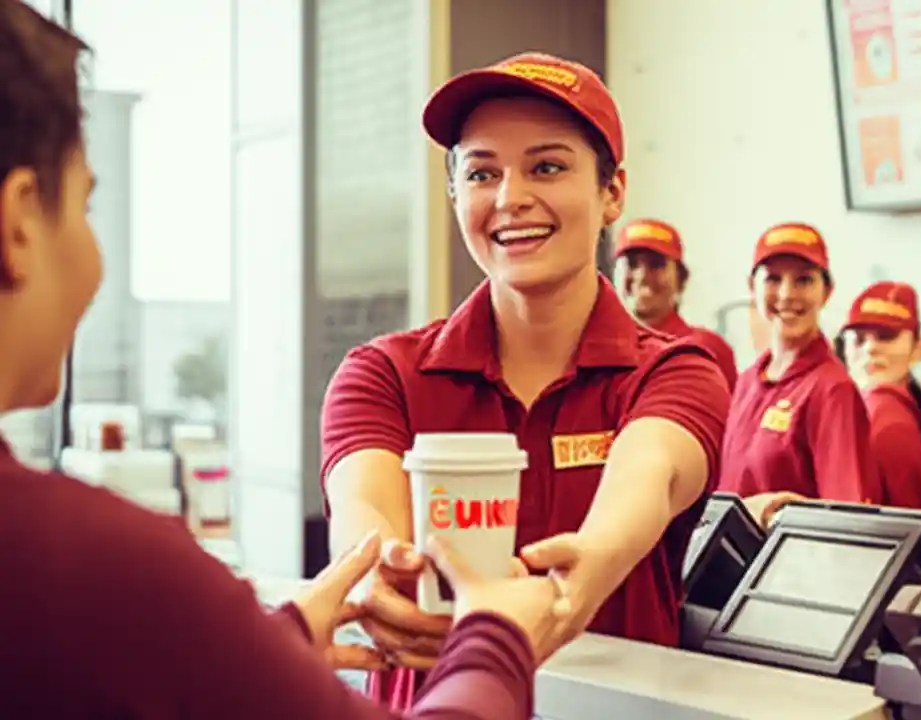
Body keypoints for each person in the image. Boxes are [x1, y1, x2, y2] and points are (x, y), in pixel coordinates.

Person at [0, 2, 562, 717]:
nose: (514, 199)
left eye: (546, 166)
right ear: (19, 222)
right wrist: (498, 637)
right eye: (85, 206)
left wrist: (265, 647)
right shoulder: (95, 568)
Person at [321, 52, 730, 709]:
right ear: (456, 194)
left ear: (612, 193)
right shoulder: (383, 375)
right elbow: (364, 523)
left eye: (548, 167)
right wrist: (375, 579)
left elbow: (646, 474)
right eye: (482, 172)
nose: (511, 198)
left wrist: (582, 574)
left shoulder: (673, 372)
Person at [716, 223, 876, 527]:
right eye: (773, 279)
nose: (787, 294)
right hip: (733, 571)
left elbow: (844, 522)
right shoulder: (747, 381)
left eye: (803, 280)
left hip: (788, 572)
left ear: (826, 292)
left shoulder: (832, 390)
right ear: (752, 287)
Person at [837, 281, 921, 510]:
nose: (870, 349)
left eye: (886, 336)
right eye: (858, 339)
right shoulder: (898, 411)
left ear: (917, 347)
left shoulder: (885, 418)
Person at [612, 217, 738, 389]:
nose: (641, 276)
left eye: (656, 264)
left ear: (681, 278)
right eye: (631, 264)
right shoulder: (599, 350)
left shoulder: (705, 347)